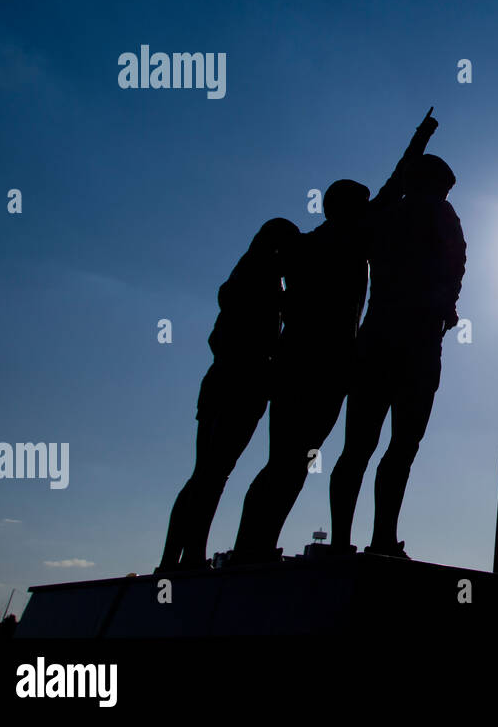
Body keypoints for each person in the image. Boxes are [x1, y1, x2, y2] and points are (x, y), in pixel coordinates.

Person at [230, 112, 439, 563]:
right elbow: (397, 184)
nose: (370, 206)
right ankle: (254, 548)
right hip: (325, 367)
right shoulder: (352, 237)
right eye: (362, 202)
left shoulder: (302, 246)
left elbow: (258, 296)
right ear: (349, 207)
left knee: (283, 463)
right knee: (294, 463)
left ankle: (253, 546)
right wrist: (419, 138)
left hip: (291, 363)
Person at [330, 152, 466, 558]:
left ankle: (341, 542)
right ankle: (383, 539)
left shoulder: (382, 218)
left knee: (357, 446)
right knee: (402, 446)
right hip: (418, 342)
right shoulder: (441, 214)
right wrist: (446, 306)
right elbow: (455, 267)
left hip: (375, 338)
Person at [158, 217, 299, 572]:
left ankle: (175, 558)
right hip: (243, 382)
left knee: (204, 472)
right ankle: (189, 557)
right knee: (214, 473)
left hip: (221, 379)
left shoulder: (245, 276)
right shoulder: (264, 283)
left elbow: (218, 338)